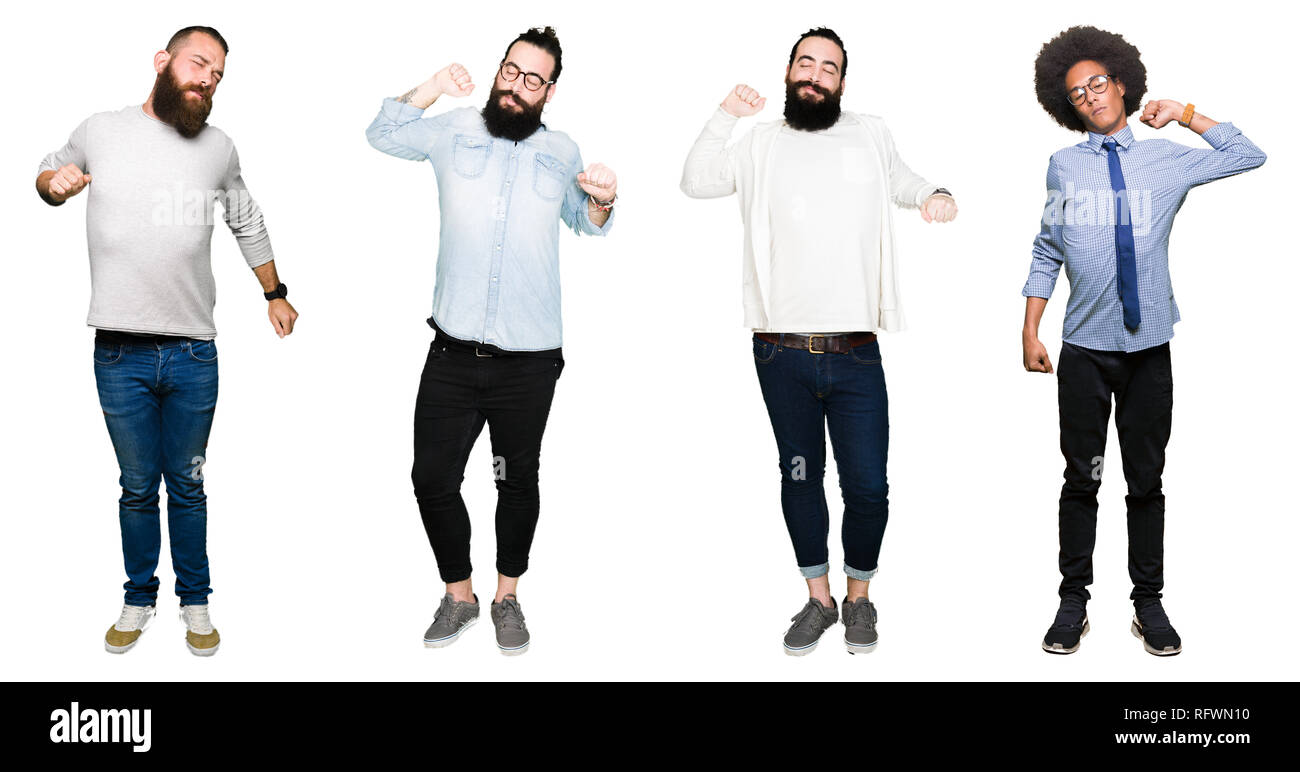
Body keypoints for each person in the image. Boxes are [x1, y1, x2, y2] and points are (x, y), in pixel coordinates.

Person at [681, 27, 957, 656]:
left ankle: (860, 598)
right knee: (800, 475)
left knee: (867, 485)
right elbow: (696, 180)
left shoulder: (869, 131)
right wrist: (726, 113)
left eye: (828, 67)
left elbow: (905, 181)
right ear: (788, 72)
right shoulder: (760, 143)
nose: (815, 74)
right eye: (805, 63)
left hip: (855, 353)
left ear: (841, 81)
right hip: (780, 354)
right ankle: (819, 599)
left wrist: (935, 195)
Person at [36, 26, 298, 657]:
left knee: (186, 482)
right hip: (119, 353)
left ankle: (196, 600)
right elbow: (49, 172)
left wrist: (274, 292)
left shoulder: (219, 147)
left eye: (218, 75)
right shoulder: (101, 129)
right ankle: (137, 596)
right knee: (134, 486)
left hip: (191, 353)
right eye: (199, 63)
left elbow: (247, 218)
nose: (207, 79)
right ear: (163, 61)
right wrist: (55, 186)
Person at [366, 26, 617, 656]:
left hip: (529, 362)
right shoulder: (453, 129)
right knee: (432, 479)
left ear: (549, 91)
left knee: (516, 479)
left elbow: (583, 223)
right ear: (498, 70)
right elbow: (384, 132)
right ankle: (460, 596)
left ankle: (507, 596)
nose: (516, 85)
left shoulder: (562, 150)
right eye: (510, 70)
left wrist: (605, 201)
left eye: (533, 79)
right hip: (451, 352)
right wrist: (430, 85)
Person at [1022, 26, 1265, 656]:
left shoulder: (1167, 160)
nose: (1091, 96)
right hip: (1084, 352)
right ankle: (1072, 601)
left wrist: (1184, 113)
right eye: (1077, 93)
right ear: (1065, 104)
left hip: (1148, 352)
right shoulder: (1064, 166)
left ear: (1123, 83)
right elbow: (1048, 247)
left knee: (1146, 483)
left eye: (1099, 83)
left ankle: (1148, 603)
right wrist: (1030, 328)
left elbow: (1247, 153)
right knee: (1082, 479)